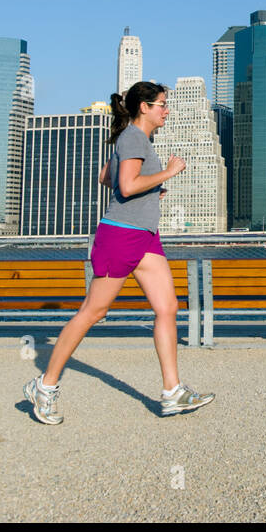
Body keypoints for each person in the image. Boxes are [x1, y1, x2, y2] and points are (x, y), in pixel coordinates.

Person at [24, 81, 215, 423]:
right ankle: (44, 386)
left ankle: (172, 392)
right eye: (161, 104)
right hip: (121, 237)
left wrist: (150, 191)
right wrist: (166, 173)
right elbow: (125, 185)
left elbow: (105, 177)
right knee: (93, 312)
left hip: (144, 237)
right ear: (144, 107)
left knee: (167, 307)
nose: (166, 110)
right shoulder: (133, 138)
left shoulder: (134, 139)